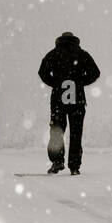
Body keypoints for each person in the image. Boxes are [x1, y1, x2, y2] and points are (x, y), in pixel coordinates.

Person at [37, 31, 100, 175]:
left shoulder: (53, 54)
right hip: (77, 100)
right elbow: (95, 72)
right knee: (76, 134)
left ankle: (57, 161)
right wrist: (80, 82)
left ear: (59, 40)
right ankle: (75, 166)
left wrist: (55, 83)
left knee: (57, 131)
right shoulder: (82, 54)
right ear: (74, 41)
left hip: (59, 100)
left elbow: (42, 72)